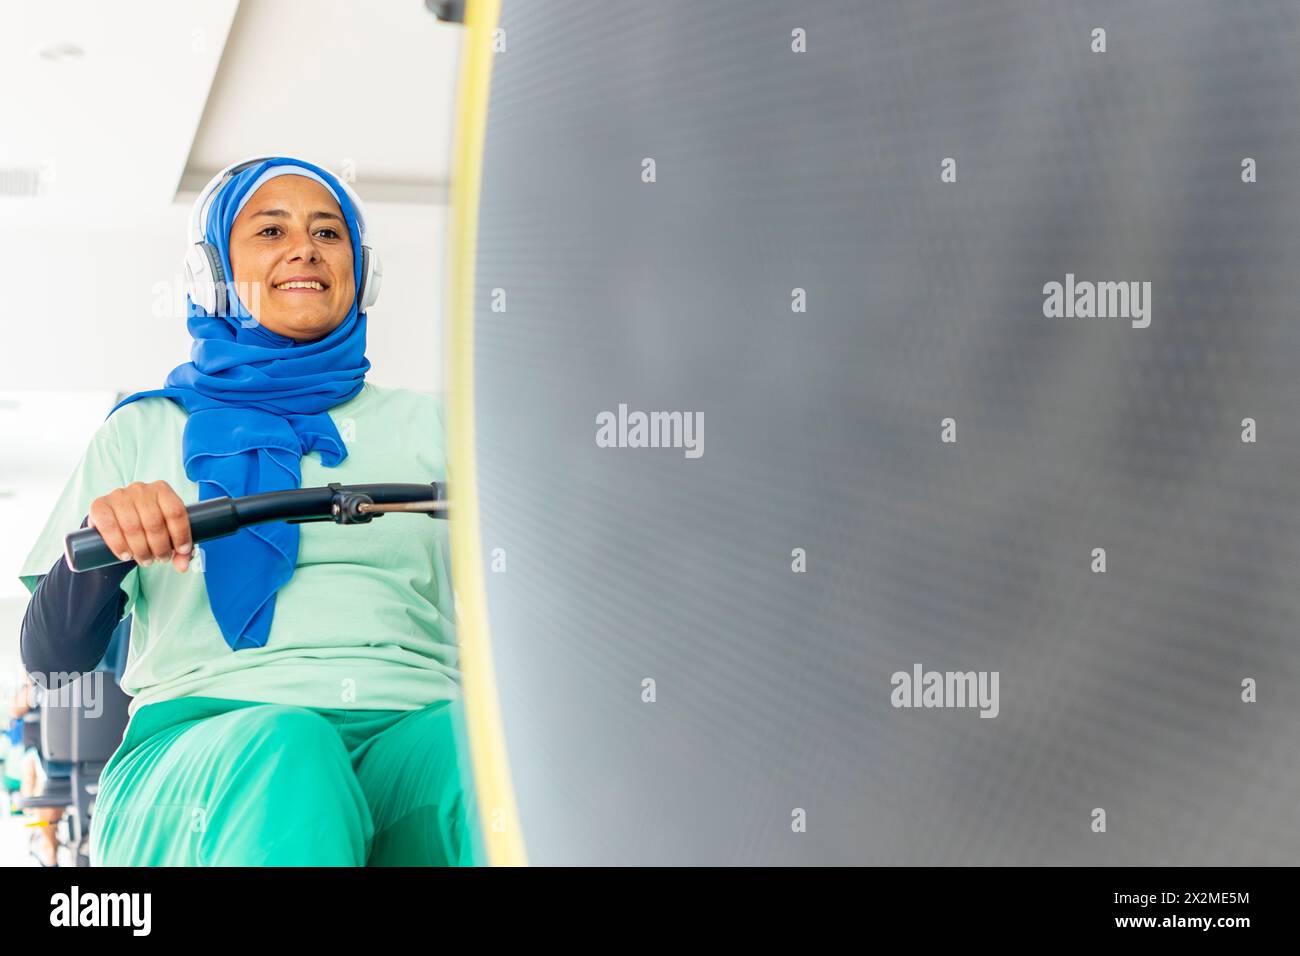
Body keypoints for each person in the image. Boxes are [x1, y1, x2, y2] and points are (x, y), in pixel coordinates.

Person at [17, 155, 482, 866]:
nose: (306, 248)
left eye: (329, 234)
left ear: (361, 271)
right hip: (206, 744)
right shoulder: (141, 432)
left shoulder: (438, 427)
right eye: (271, 230)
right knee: (291, 750)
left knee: (491, 763)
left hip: (410, 728)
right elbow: (53, 660)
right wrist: (104, 541)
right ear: (212, 274)